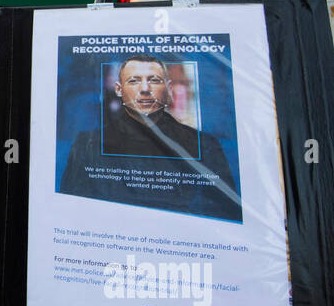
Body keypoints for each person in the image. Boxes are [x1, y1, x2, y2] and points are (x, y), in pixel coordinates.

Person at [59, 54, 238, 221]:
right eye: (134, 81)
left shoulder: (204, 145)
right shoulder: (87, 144)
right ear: (119, 89)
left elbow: (224, 217)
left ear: (168, 89)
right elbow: (71, 213)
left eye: (154, 80)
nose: (145, 89)